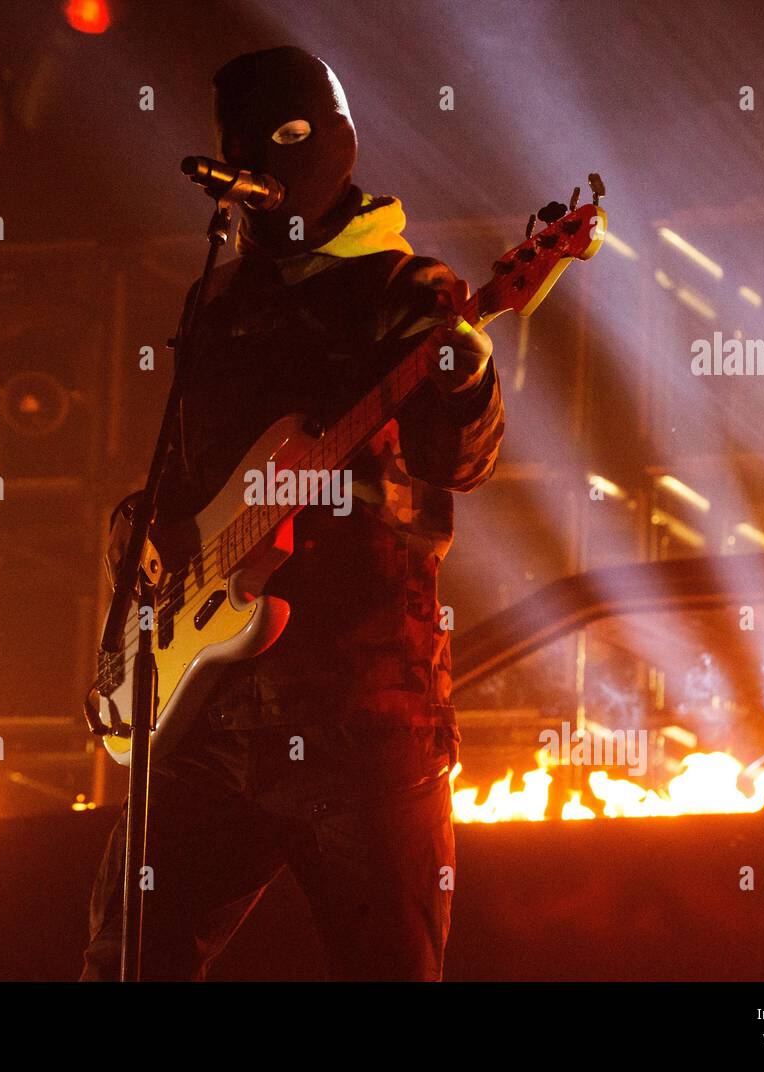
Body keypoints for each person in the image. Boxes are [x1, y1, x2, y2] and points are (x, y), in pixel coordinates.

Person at [82, 45, 504, 981]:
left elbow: (457, 464)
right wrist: (143, 542)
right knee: (124, 963)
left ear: (338, 140)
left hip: (363, 718)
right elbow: (185, 480)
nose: (266, 169)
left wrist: (468, 382)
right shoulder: (221, 298)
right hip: (212, 719)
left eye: (287, 139)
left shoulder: (411, 291)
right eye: (245, 150)